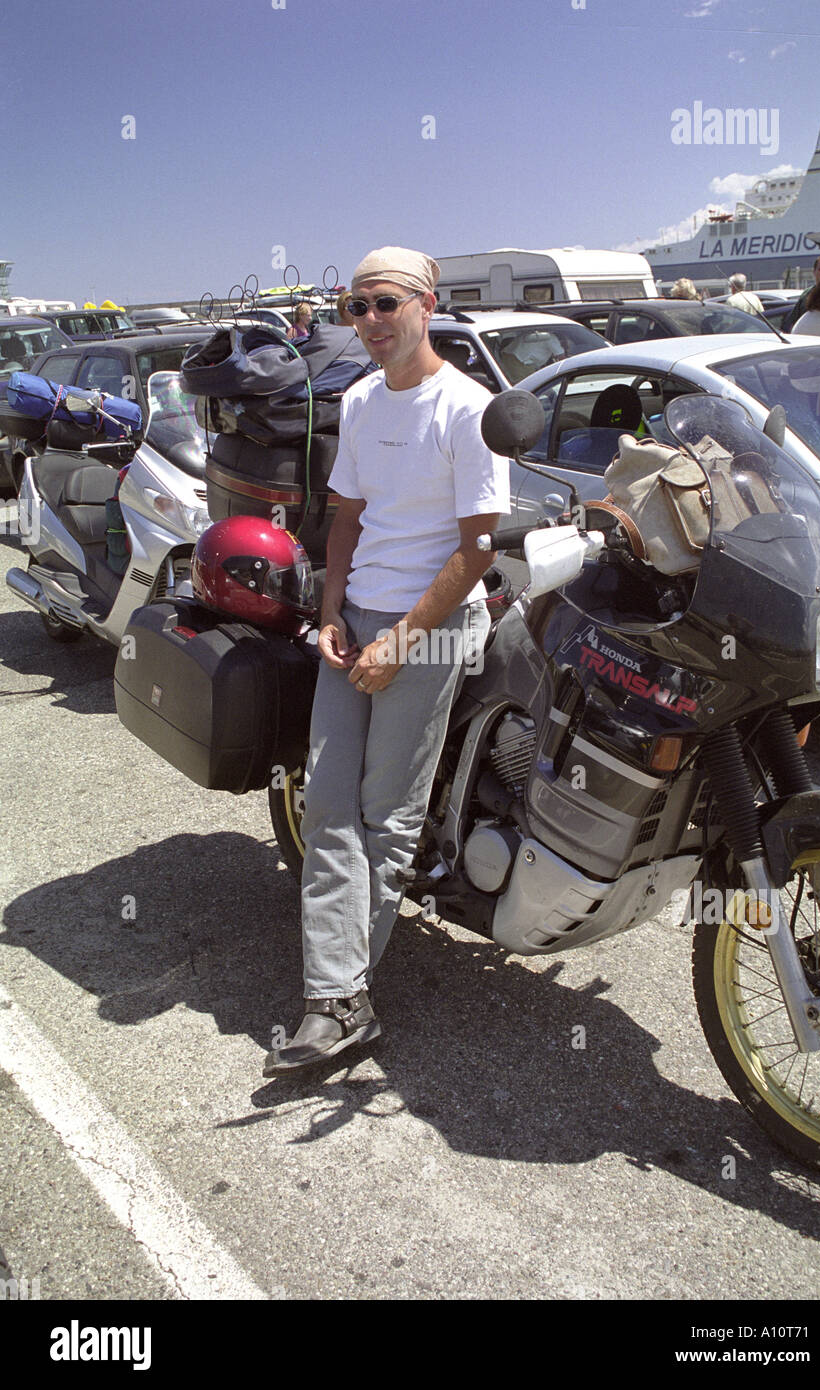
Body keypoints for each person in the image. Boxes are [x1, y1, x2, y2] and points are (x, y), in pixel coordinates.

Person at [262, 246, 509, 1074]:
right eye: (354, 306)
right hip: (356, 615)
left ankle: (336, 999)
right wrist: (330, 616)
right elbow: (346, 520)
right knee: (327, 803)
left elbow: (477, 552)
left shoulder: (468, 409)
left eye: (385, 303)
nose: (368, 321)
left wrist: (402, 639)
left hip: (430, 628)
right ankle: (338, 994)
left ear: (426, 306)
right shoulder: (362, 399)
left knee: (386, 816)